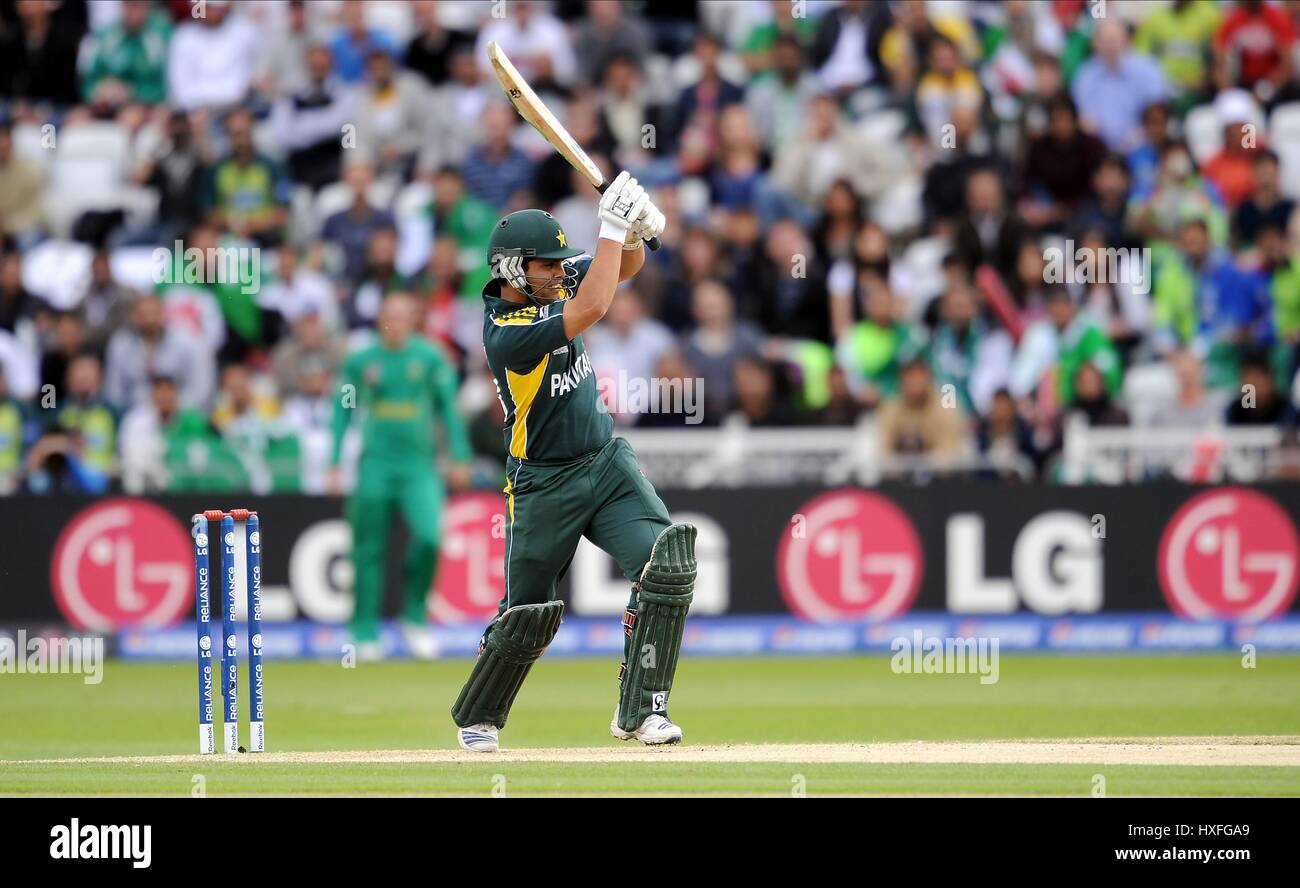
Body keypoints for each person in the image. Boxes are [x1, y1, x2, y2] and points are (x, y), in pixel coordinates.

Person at [450, 172, 694, 753]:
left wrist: (636, 233)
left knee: (668, 564)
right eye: (548, 266)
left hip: (606, 461)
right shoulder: (506, 332)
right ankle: (478, 716)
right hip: (542, 482)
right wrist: (611, 224)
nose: (561, 272)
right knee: (527, 616)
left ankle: (641, 711)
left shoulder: (549, 283)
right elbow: (596, 304)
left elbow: (621, 270)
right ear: (514, 270)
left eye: (563, 264)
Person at [329, 292, 473, 662]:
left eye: (402, 314)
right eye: (388, 314)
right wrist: (333, 459)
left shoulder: (429, 357)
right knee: (367, 548)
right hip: (374, 464)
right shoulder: (362, 360)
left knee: (429, 536)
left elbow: (448, 410)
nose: (394, 321)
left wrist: (459, 455)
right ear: (380, 319)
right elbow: (343, 408)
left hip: (418, 467)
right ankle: (364, 631)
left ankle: (414, 618)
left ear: (414, 318)